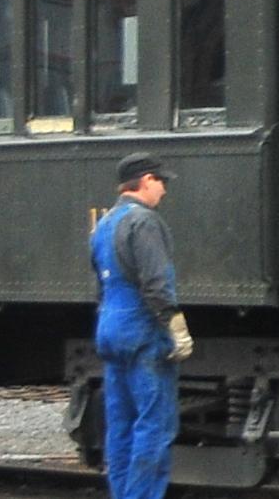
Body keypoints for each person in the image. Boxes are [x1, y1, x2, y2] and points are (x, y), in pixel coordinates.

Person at [91, 153, 191, 499]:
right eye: (161, 182)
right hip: (142, 332)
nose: (164, 190)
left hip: (109, 329)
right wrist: (177, 329)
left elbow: (100, 287)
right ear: (146, 180)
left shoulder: (105, 224)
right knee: (154, 425)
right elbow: (156, 284)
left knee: (120, 428)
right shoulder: (145, 223)